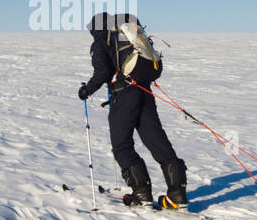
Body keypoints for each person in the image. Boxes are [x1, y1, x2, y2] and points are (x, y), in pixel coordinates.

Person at [77, 12, 188, 208]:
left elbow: (102, 72)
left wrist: (87, 90)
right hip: (145, 91)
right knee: (157, 141)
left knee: (121, 145)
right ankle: (177, 195)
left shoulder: (102, 42)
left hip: (125, 95)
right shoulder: (126, 37)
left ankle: (142, 194)